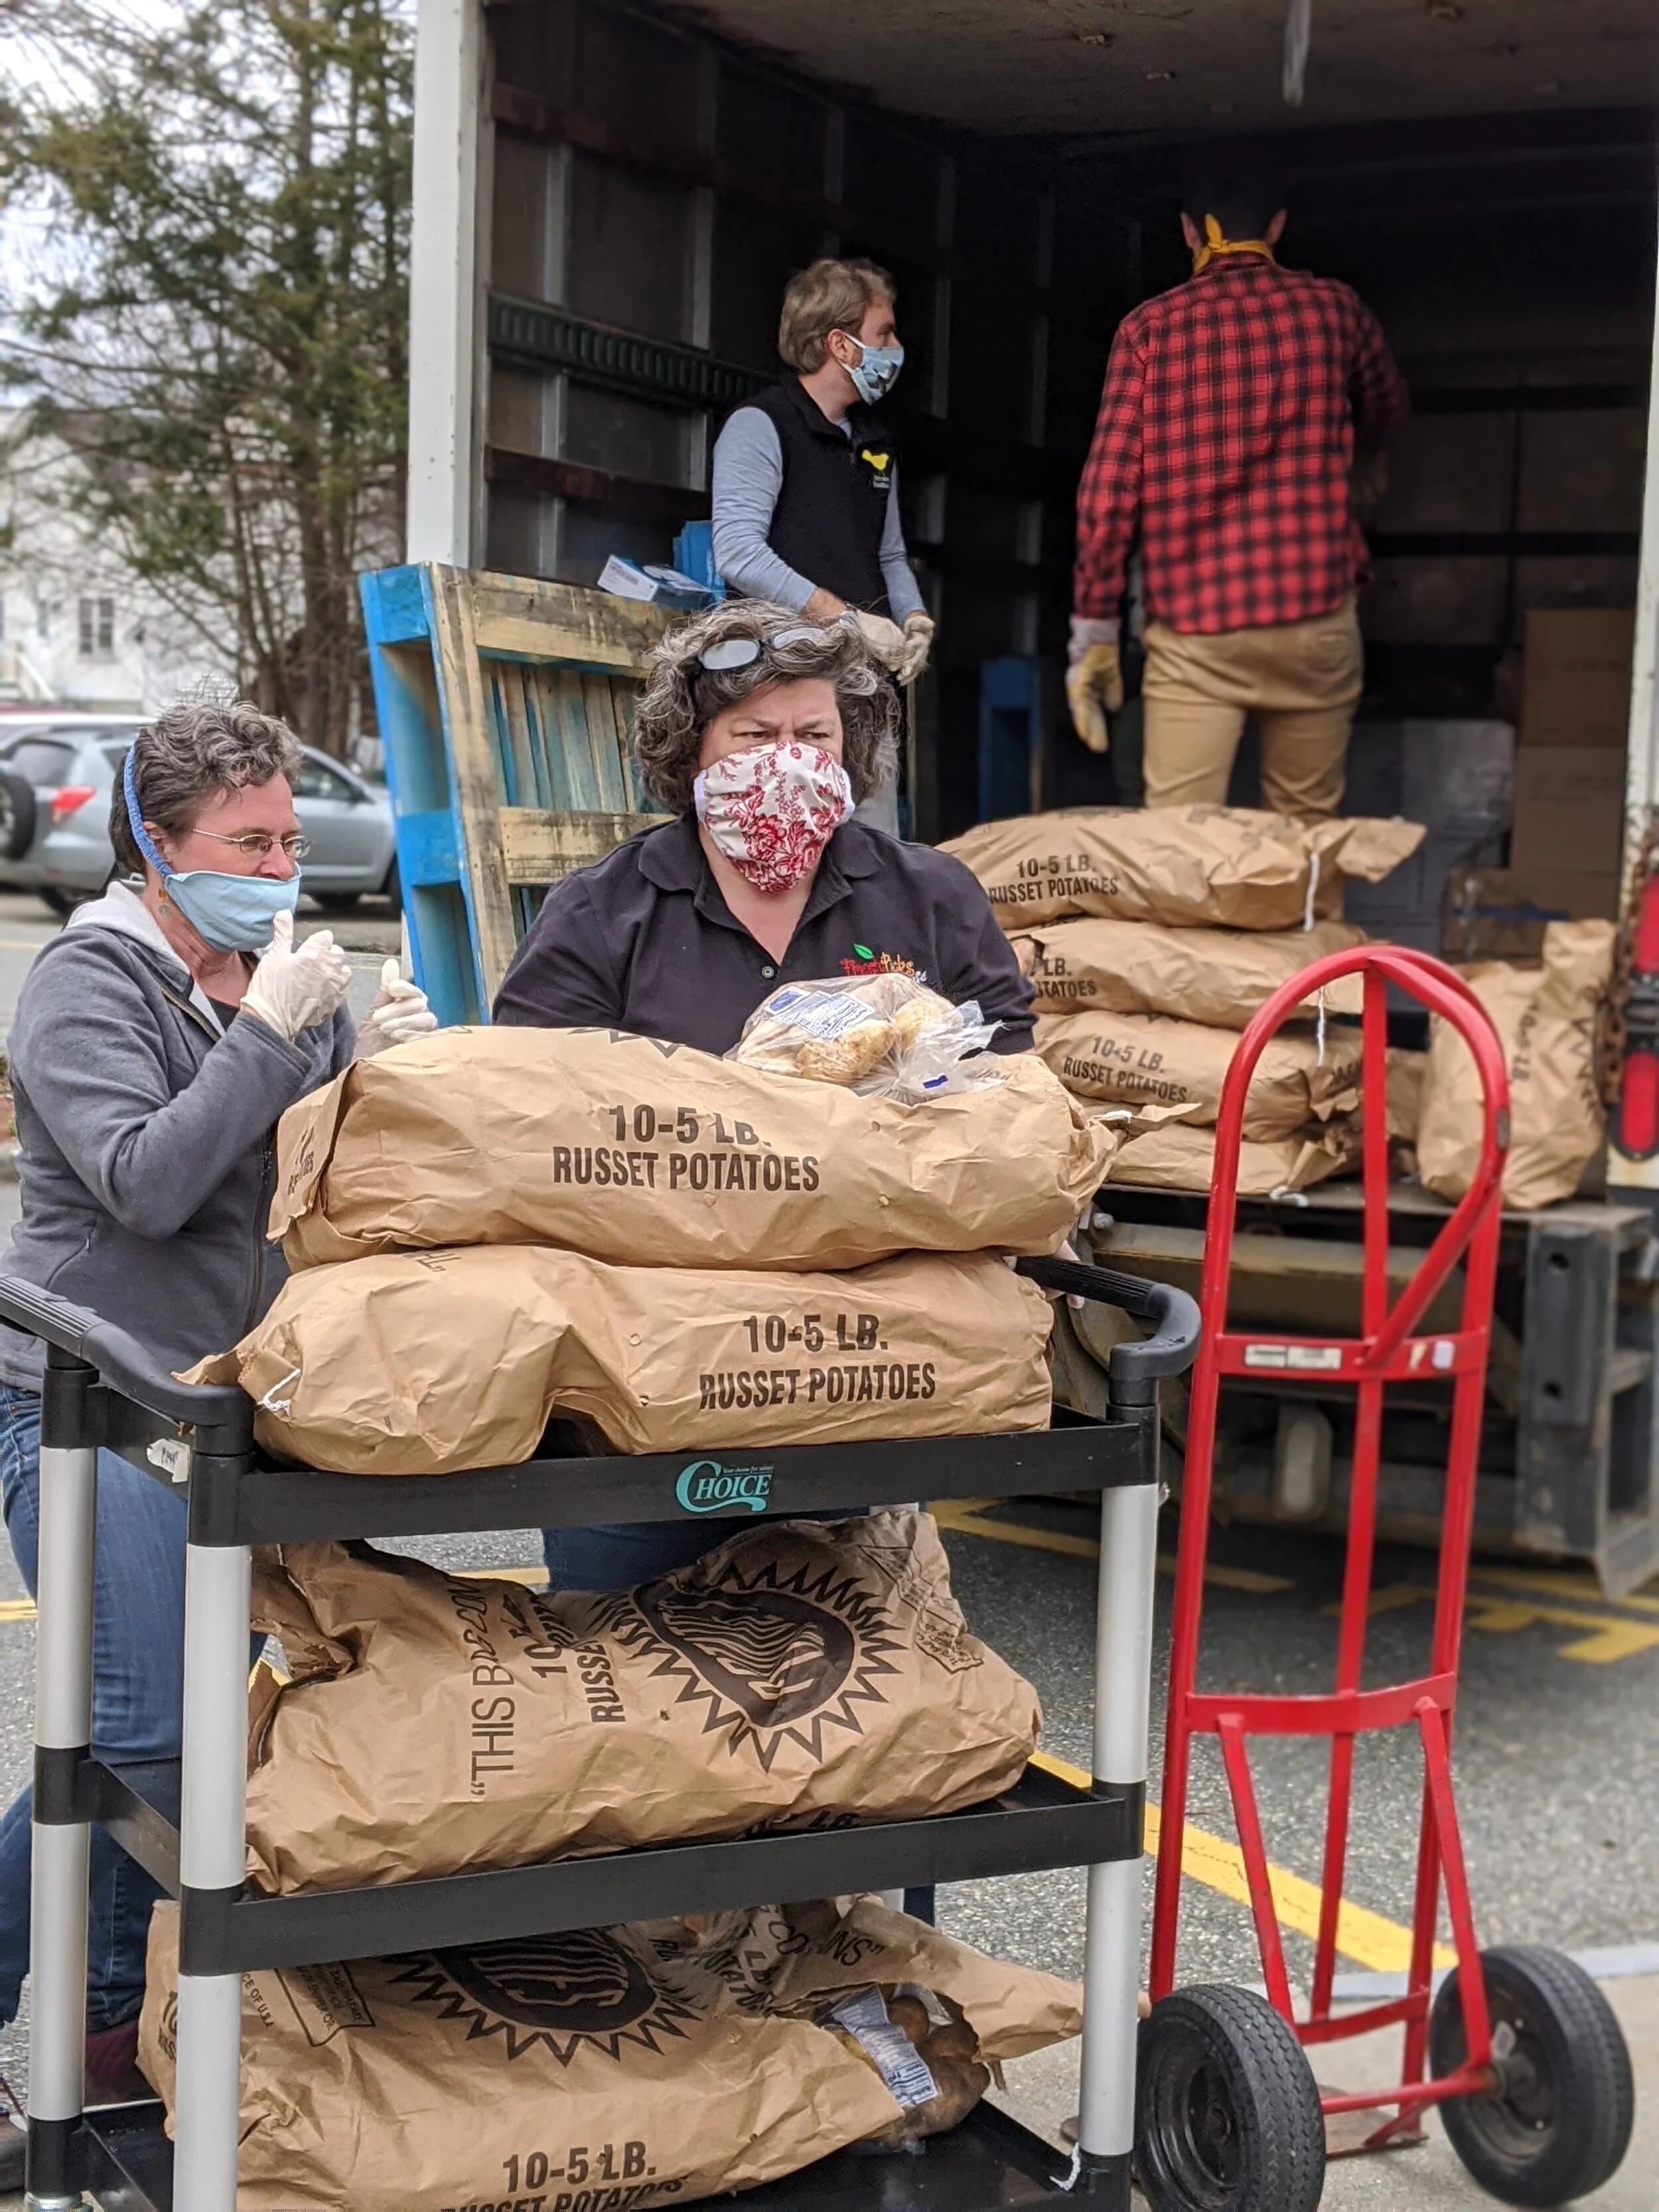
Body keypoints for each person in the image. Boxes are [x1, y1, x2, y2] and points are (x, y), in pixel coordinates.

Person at [0, 696, 435, 2179]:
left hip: (223, 1402)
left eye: (286, 838)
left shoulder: (272, 973)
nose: (274, 864)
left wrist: (384, 1069)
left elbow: (309, 1176)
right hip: (78, 1407)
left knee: (182, 1728)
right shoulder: (83, 983)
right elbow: (147, 1180)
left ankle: (117, 2025)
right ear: (157, 844)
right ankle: (58, 2010)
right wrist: (268, 1035)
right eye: (243, 843)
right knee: (135, 1720)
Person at [494, 599, 1033, 1589]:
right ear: (691, 753)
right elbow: (529, 1124)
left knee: (844, 1684)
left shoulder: (927, 897)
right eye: (752, 735)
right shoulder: (604, 912)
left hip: (858, 1380)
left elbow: (1012, 1088)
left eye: (811, 735)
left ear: (850, 750)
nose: (784, 759)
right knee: (619, 1683)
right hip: (645, 1410)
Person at [1067, 151, 1409, 819]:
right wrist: (1353, 453)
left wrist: (1095, 631)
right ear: (1276, 226)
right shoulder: (1334, 311)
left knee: (1179, 843)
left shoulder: (1150, 329)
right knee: (1304, 839)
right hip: (1315, 619)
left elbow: (1105, 501)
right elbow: (1387, 408)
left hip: (1197, 631)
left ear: (1189, 232)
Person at [711, 258, 934, 834]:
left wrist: (912, 618)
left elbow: (888, 555)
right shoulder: (761, 425)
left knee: (870, 862)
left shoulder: (875, 443)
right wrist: (847, 620)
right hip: (778, 688)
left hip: (861, 692)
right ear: (842, 344)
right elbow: (737, 550)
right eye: (883, 333)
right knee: (787, 849)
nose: (897, 347)